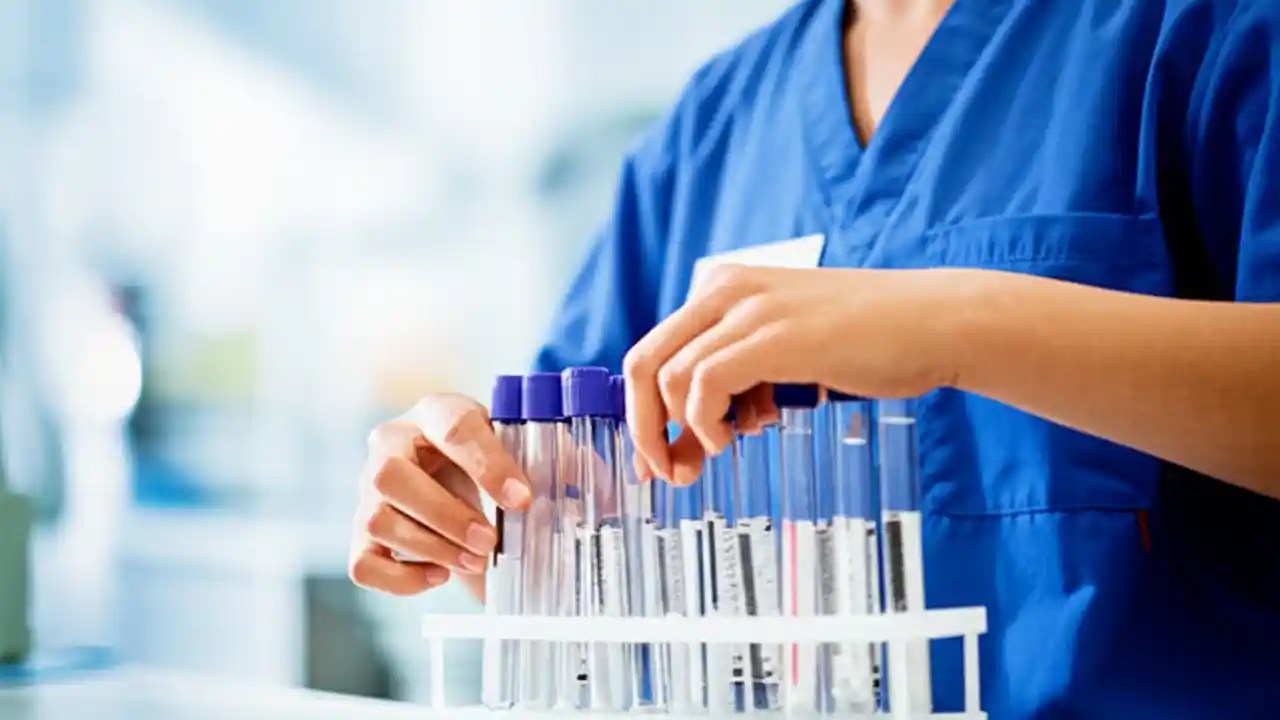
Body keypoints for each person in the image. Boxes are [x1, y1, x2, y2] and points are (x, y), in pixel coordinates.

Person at [348, 0, 1280, 716]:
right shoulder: (717, 125)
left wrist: (959, 325)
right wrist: (469, 511)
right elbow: (579, 512)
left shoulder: (1206, 32)